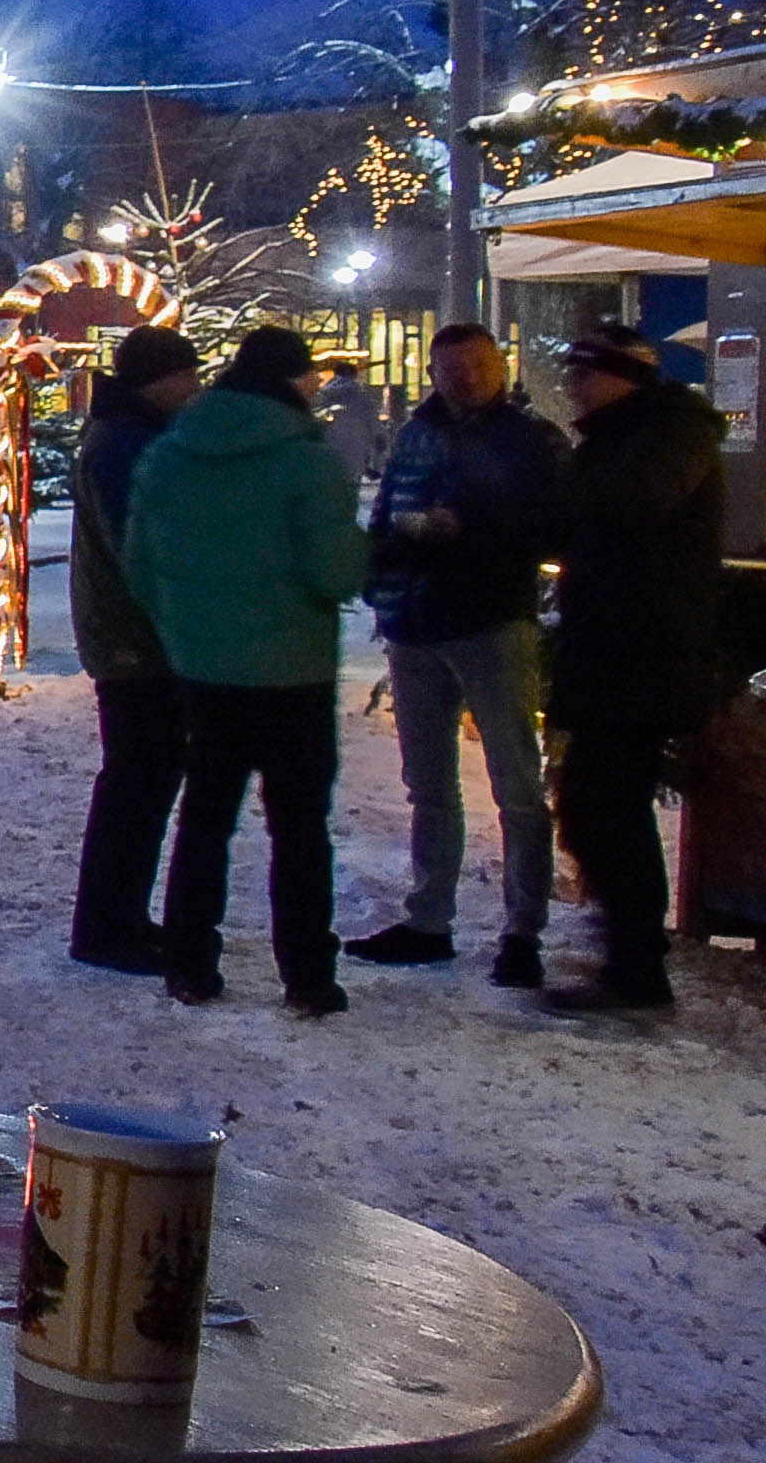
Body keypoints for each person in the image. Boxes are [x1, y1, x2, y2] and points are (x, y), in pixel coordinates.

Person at [124, 325, 368, 1014]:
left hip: (202, 670)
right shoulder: (306, 462)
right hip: (294, 673)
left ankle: (190, 963)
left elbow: (140, 564)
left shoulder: (169, 455)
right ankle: (308, 975)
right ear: (294, 383)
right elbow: (337, 571)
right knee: (297, 829)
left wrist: (186, 630)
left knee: (204, 818)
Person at [345, 323, 567, 983]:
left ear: (499, 366)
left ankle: (522, 933)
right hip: (415, 622)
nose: (464, 377)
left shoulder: (528, 440)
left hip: (490, 621)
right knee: (430, 785)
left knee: (517, 786)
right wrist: (394, 548)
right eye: (450, 367)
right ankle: (429, 920)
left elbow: (551, 527)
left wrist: (470, 531)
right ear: (434, 373)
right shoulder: (417, 435)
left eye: (476, 364)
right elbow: (386, 517)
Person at [540, 321, 725, 1015]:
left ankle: (638, 965)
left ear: (623, 375)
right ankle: (629, 948)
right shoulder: (621, 438)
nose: (573, 389)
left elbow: (629, 506)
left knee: (608, 805)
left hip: (644, 653)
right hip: (614, 651)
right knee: (595, 803)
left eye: (584, 376)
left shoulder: (670, 433)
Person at [64, 324, 208, 974]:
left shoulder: (129, 436)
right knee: (139, 780)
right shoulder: (127, 444)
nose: (196, 387)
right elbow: (144, 550)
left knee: (142, 780)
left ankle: (118, 917)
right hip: (136, 643)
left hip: (134, 638)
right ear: (161, 379)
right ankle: (108, 925)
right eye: (188, 375)